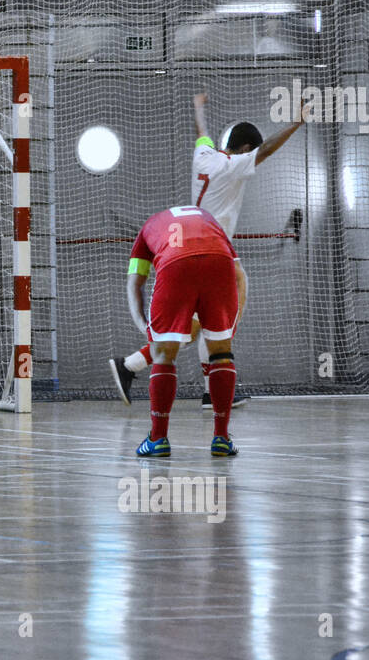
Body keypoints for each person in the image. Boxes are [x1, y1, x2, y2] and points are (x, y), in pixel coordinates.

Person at [109, 91, 307, 408]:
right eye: (250, 152)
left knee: (204, 321)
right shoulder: (233, 165)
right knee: (213, 319)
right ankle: (135, 365)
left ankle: (201, 388)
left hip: (194, 244)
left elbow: (201, 134)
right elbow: (267, 150)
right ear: (244, 150)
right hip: (211, 250)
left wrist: (197, 109)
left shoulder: (204, 156)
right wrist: (297, 122)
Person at [124, 205, 239, 457]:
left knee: (164, 354)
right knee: (221, 352)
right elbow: (238, 272)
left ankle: (158, 439)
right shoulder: (208, 219)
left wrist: (145, 327)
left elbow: (135, 283)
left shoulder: (147, 228)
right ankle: (221, 438)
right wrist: (231, 324)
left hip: (175, 265)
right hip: (221, 262)